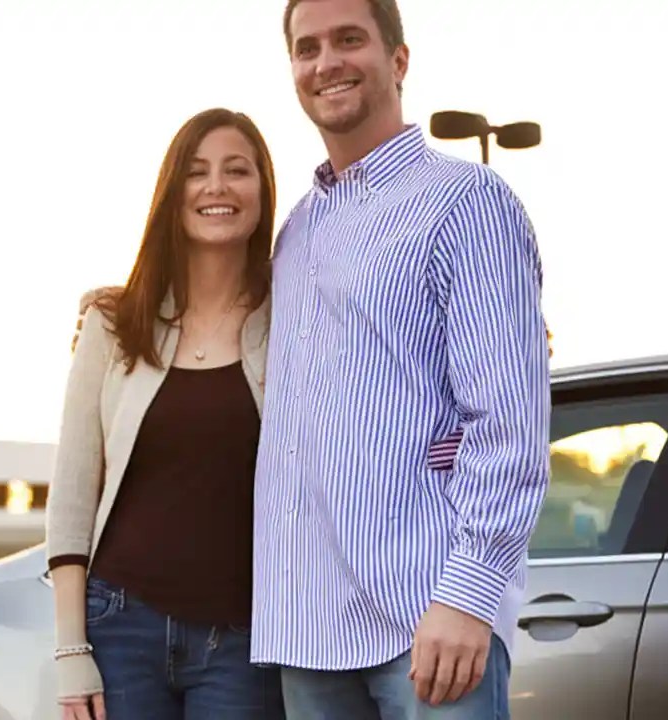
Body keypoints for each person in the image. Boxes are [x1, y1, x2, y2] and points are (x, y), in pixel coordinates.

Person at [251, 1, 552, 719]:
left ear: (399, 59)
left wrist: (469, 594)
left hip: (425, 619)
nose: (325, 63)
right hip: (308, 633)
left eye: (348, 40)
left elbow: (508, 421)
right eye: (306, 48)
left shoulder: (465, 201)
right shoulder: (295, 230)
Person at [45, 108, 286, 720]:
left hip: (245, 637)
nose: (217, 187)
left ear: (263, 191)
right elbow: (73, 495)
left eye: (238, 171)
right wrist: (71, 648)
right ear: (172, 192)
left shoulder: (295, 322)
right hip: (122, 627)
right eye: (197, 172)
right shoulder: (112, 322)